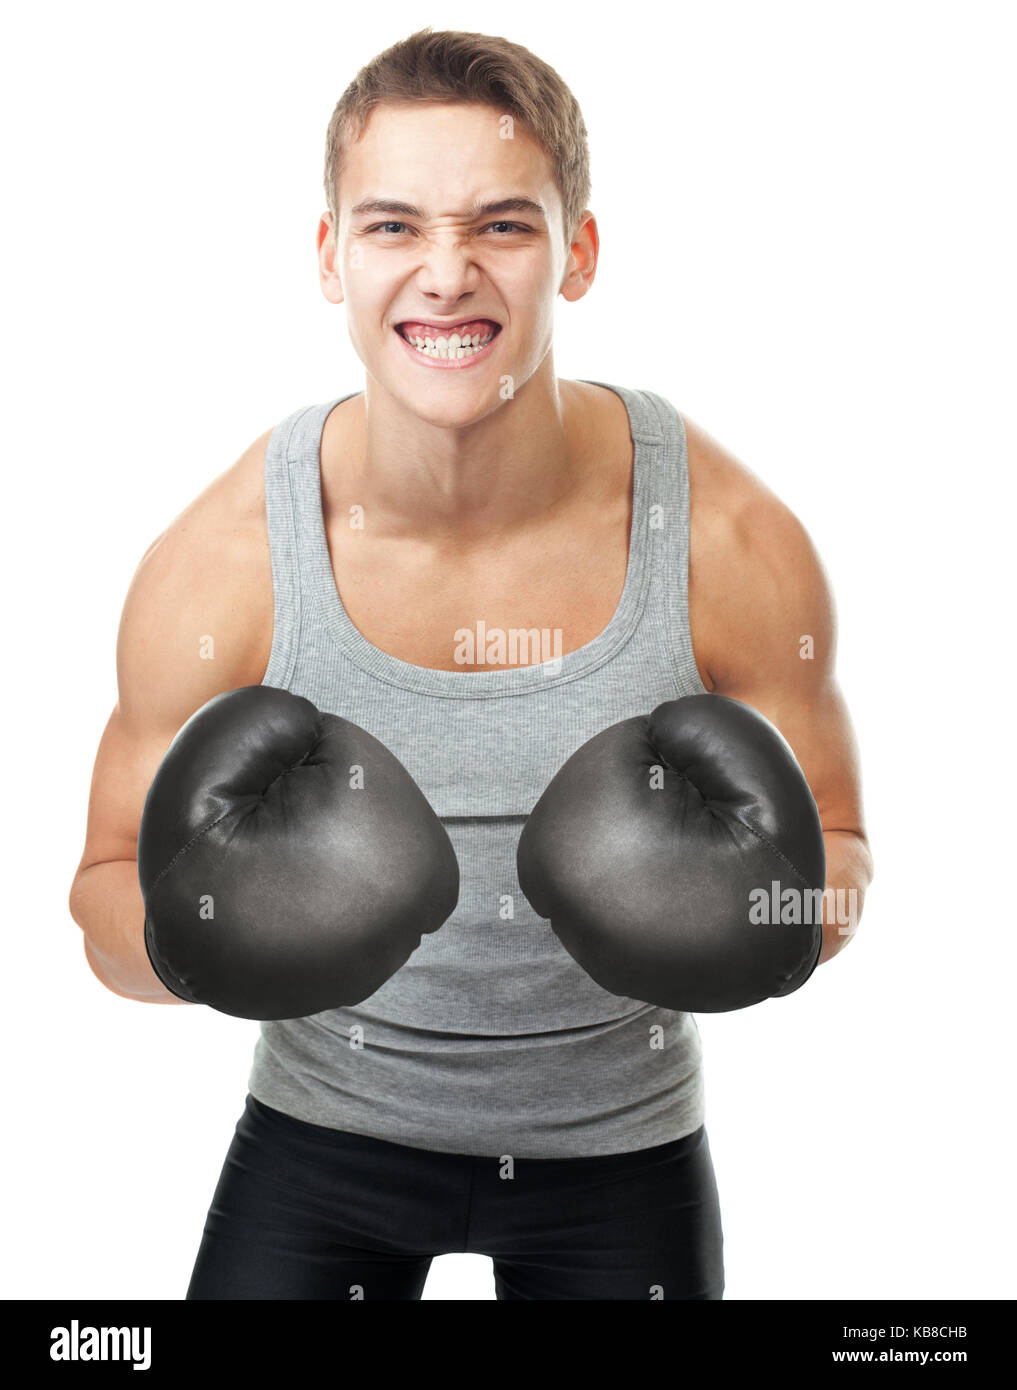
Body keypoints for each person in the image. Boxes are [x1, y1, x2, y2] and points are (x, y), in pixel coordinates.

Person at [68, 26, 873, 1300]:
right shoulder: (226, 559)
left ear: (579, 251)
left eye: (502, 224)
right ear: (331, 257)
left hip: (619, 1159)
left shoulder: (722, 537)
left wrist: (765, 923)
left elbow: (840, 857)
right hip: (322, 1146)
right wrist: (195, 938)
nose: (446, 277)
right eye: (393, 226)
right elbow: (100, 893)